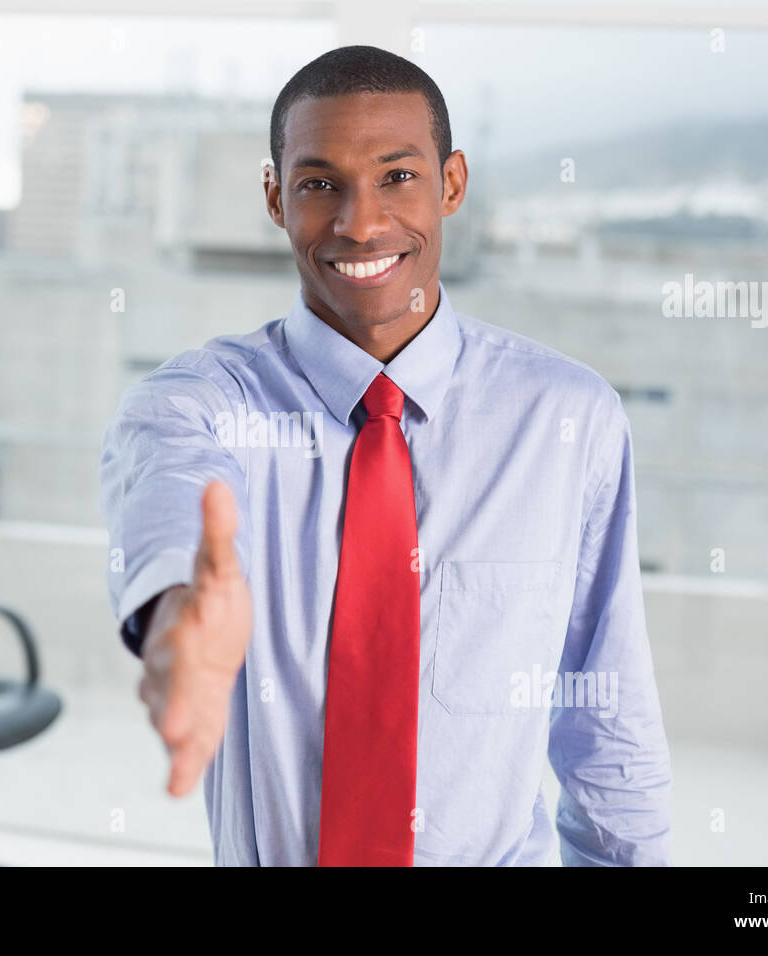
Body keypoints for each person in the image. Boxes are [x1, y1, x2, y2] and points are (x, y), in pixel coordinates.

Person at [99, 44, 671, 866]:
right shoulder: (201, 401)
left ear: (452, 184)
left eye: (397, 177)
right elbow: (171, 493)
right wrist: (176, 622)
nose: (360, 223)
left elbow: (604, 711)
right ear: (274, 197)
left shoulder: (567, 418)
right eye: (319, 183)